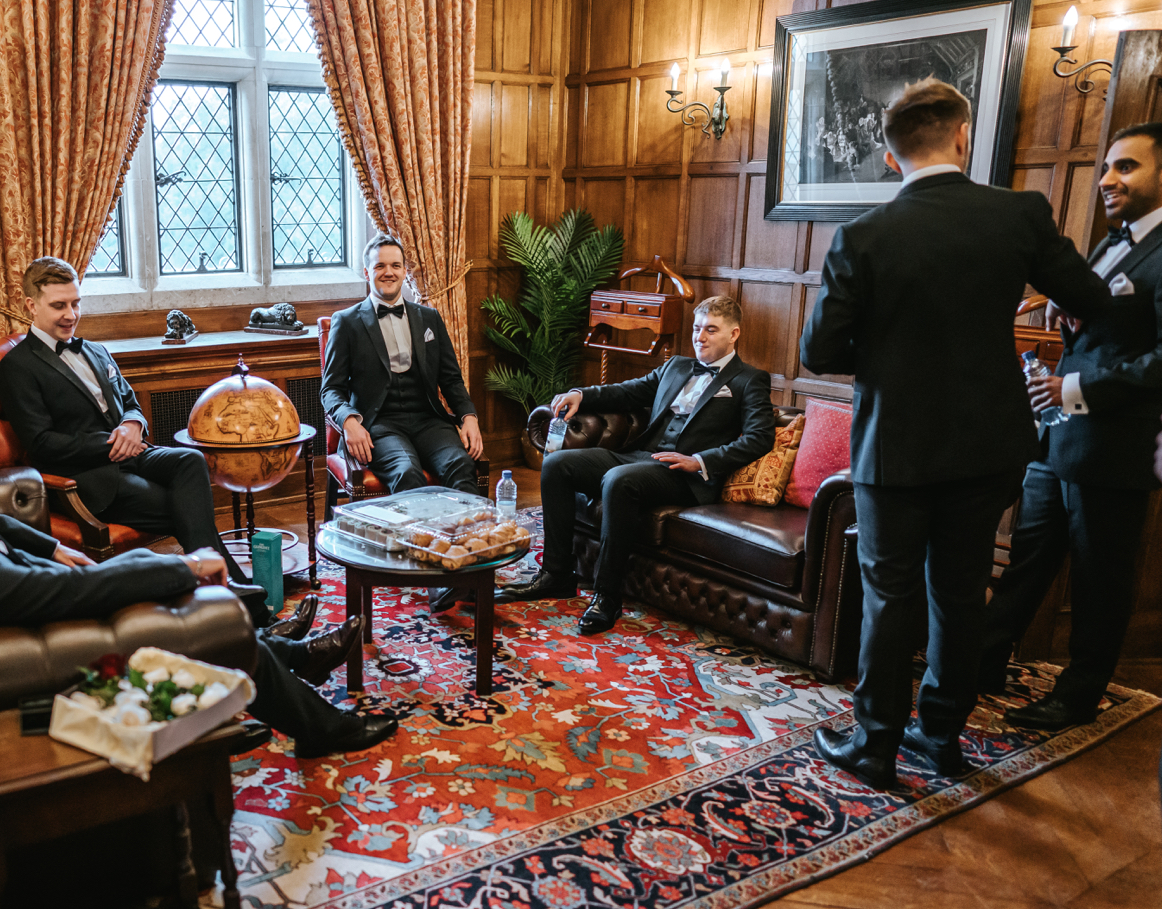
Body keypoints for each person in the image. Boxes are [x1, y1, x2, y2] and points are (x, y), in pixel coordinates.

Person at [0, 370, 398, 759]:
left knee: (186, 562)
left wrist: (50, 547)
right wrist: (180, 569)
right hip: (36, 659)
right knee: (199, 610)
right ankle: (319, 725)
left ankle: (290, 658)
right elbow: (61, 598)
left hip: (22, 607)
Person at [800, 78, 1111, 789]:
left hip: (896, 446)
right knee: (961, 593)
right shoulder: (1020, 214)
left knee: (891, 595)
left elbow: (818, 353)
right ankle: (940, 737)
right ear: (963, 137)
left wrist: (883, 359)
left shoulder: (864, 236)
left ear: (888, 155)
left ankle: (875, 744)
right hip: (988, 444)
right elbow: (1091, 298)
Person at [980, 123, 1162, 731]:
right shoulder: (1113, 243)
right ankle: (981, 660)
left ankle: (1079, 695)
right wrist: (1066, 311)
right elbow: (1106, 319)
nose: (1108, 179)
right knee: (1028, 558)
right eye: (1108, 166)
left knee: (1098, 579)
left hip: (1115, 446)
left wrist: (1077, 387)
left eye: (1127, 167)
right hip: (1057, 436)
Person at [0, 257, 280, 628]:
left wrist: (132, 424)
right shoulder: (18, 366)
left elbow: (131, 404)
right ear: (31, 305)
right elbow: (42, 442)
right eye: (59, 305)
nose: (71, 314)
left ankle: (227, 601)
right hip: (92, 477)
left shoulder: (95, 350)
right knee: (187, 511)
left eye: (76, 303)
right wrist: (111, 443)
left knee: (190, 462)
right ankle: (249, 609)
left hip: (133, 453)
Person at [502, 295, 775, 635]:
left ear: (734, 334)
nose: (700, 337)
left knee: (619, 480)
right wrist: (581, 394)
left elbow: (760, 437)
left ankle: (607, 596)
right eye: (696, 328)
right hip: (641, 455)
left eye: (711, 330)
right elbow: (627, 392)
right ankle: (556, 575)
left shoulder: (750, 380)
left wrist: (700, 461)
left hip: (685, 474)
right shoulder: (675, 365)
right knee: (558, 464)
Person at [321, 233, 486, 612]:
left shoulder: (428, 318)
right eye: (380, 266)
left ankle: (470, 567)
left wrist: (469, 416)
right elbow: (330, 390)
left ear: (405, 271)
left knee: (461, 464)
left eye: (395, 265)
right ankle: (431, 578)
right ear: (367, 272)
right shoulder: (347, 323)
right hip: (378, 423)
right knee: (407, 472)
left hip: (427, 418)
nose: (389, 272)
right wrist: (349, 422)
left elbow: (451, 378)